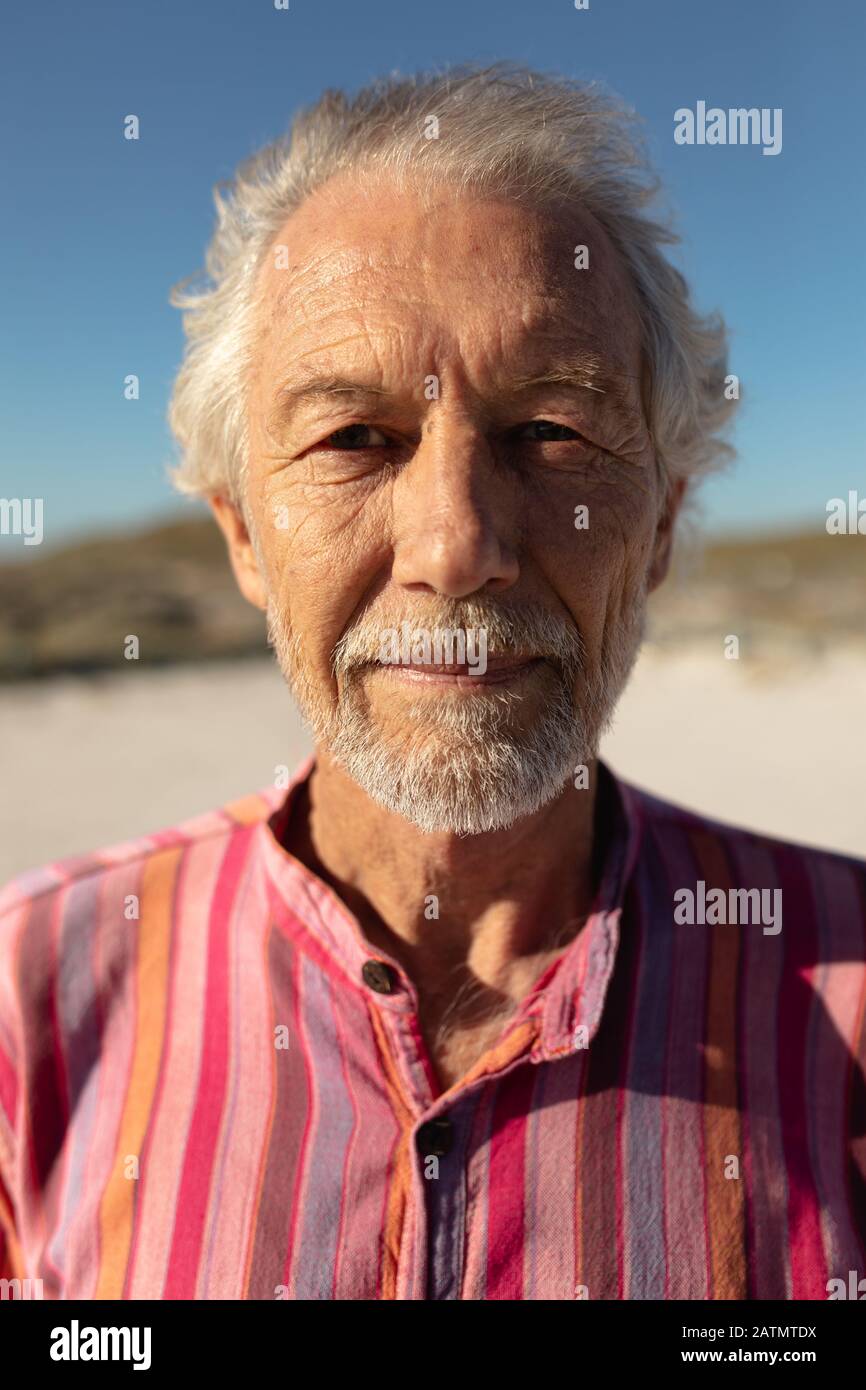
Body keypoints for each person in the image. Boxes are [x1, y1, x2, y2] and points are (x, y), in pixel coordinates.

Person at [1, 63, 864, 1301]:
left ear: (662, 524)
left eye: (552, 433)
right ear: (243, 530)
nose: (455, 543)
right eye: (354, 438)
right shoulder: (31, 995)